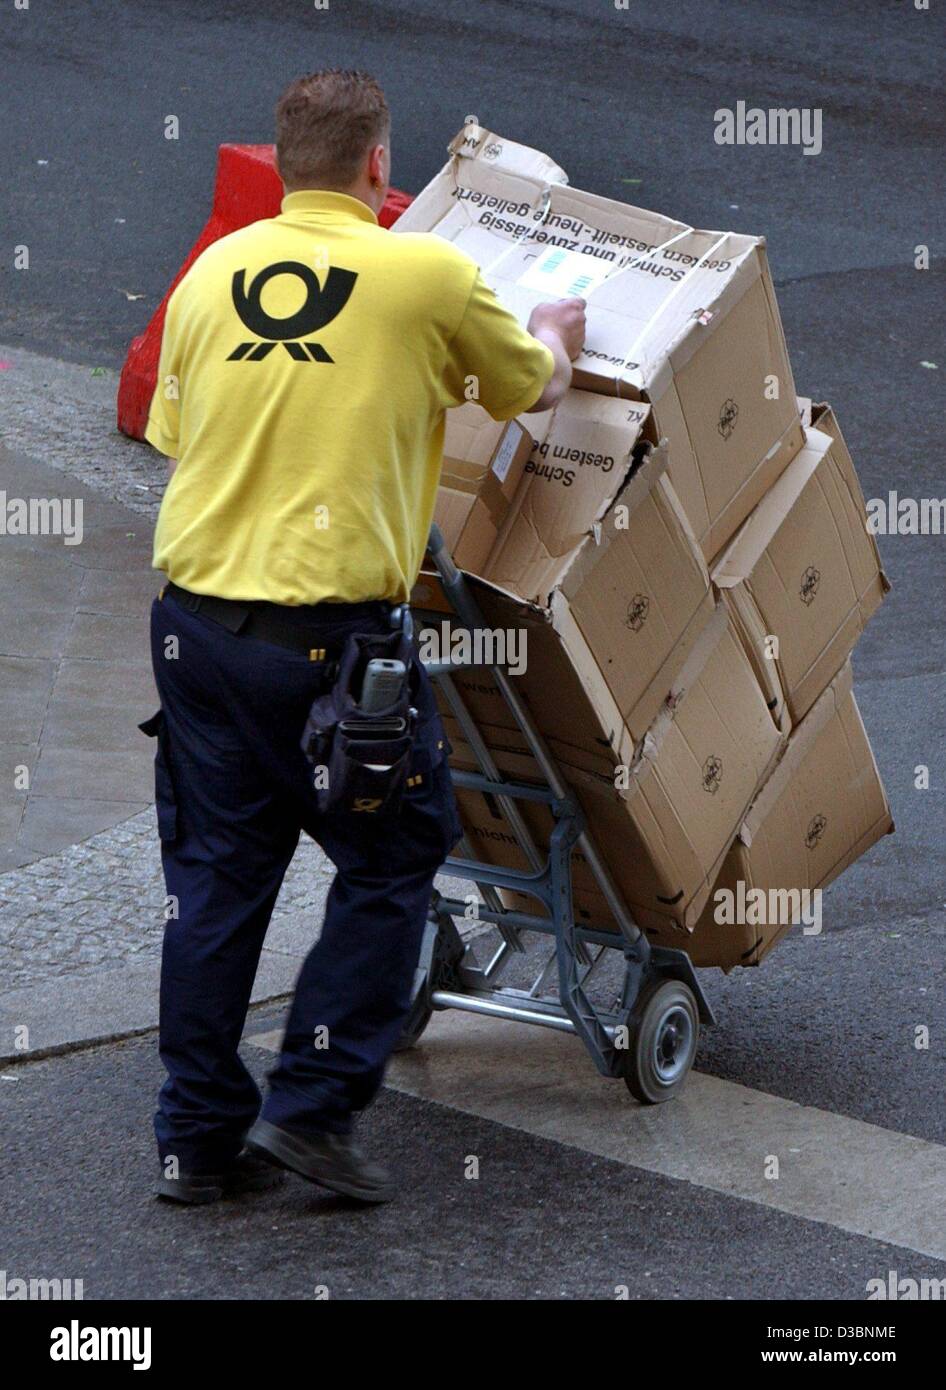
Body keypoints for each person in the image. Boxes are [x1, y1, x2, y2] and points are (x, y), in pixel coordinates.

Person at [142, 68, 586, 1206]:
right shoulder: (423, 274)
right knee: (389, 861)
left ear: (284, 164)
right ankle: (314, 1106)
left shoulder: (209, 276)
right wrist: (549, 333)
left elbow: (169, 432)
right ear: (379, 166)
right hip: (334, 647)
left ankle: (195, 1141)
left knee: (217, 884)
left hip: (194, 633)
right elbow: (530, 387)